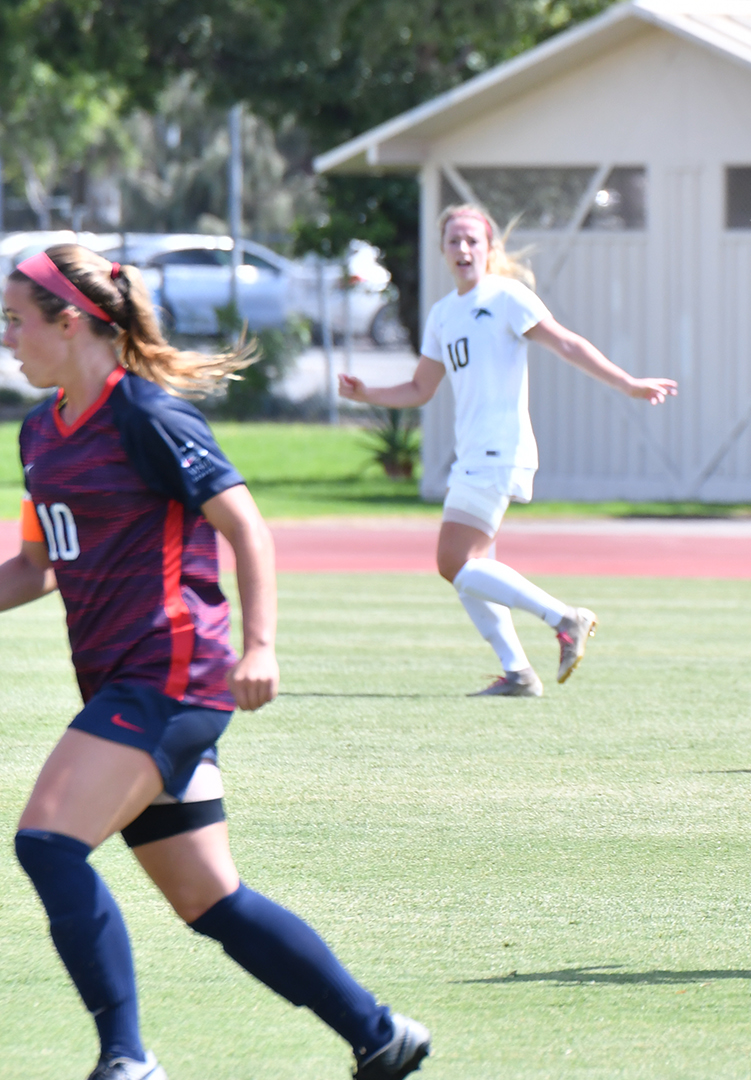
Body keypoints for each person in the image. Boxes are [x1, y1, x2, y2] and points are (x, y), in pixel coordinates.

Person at [3, 244, 429, 1080]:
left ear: (72, 322)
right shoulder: (39, 432)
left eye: (15, 320)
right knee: (209, 899)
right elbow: (35, 566)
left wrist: (261, 644)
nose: (7, 338)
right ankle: (379, 1035)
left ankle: (127, 1061)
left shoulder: (147, 415)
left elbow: (246, 528)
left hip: (171, 675)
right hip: (129, 684)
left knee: (47, 842)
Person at [340, 204, 676, 697]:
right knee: (471, 571)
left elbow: (567, 344)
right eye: (454, 240)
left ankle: (564, 618)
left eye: (472, 240)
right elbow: (419, 388)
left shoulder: (506, 297)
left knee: (454, 562)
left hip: (500, 448)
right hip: (472, 453)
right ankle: (517, 672)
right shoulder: (443, 314)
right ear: (442, 250)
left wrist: (627, 383)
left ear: (490, 248)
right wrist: (366, 393)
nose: (463, 248)